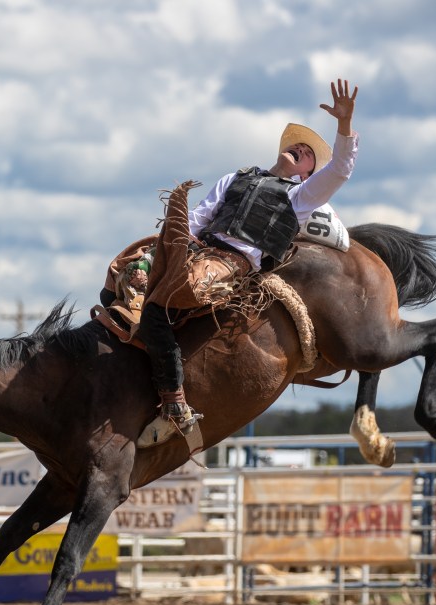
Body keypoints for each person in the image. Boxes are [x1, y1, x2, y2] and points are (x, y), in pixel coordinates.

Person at [135, 78, 360, 448]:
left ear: (307, 173)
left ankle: (176, 407)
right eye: (296, 145)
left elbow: (339, 170)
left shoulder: (301, 197)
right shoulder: (237, 177)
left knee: (162, 303)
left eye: (306, 153)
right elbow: (199, 219)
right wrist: (164, 249)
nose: (299, 149)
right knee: (125, 270)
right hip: (198, 251)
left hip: (231, 264)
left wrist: (345, 125)